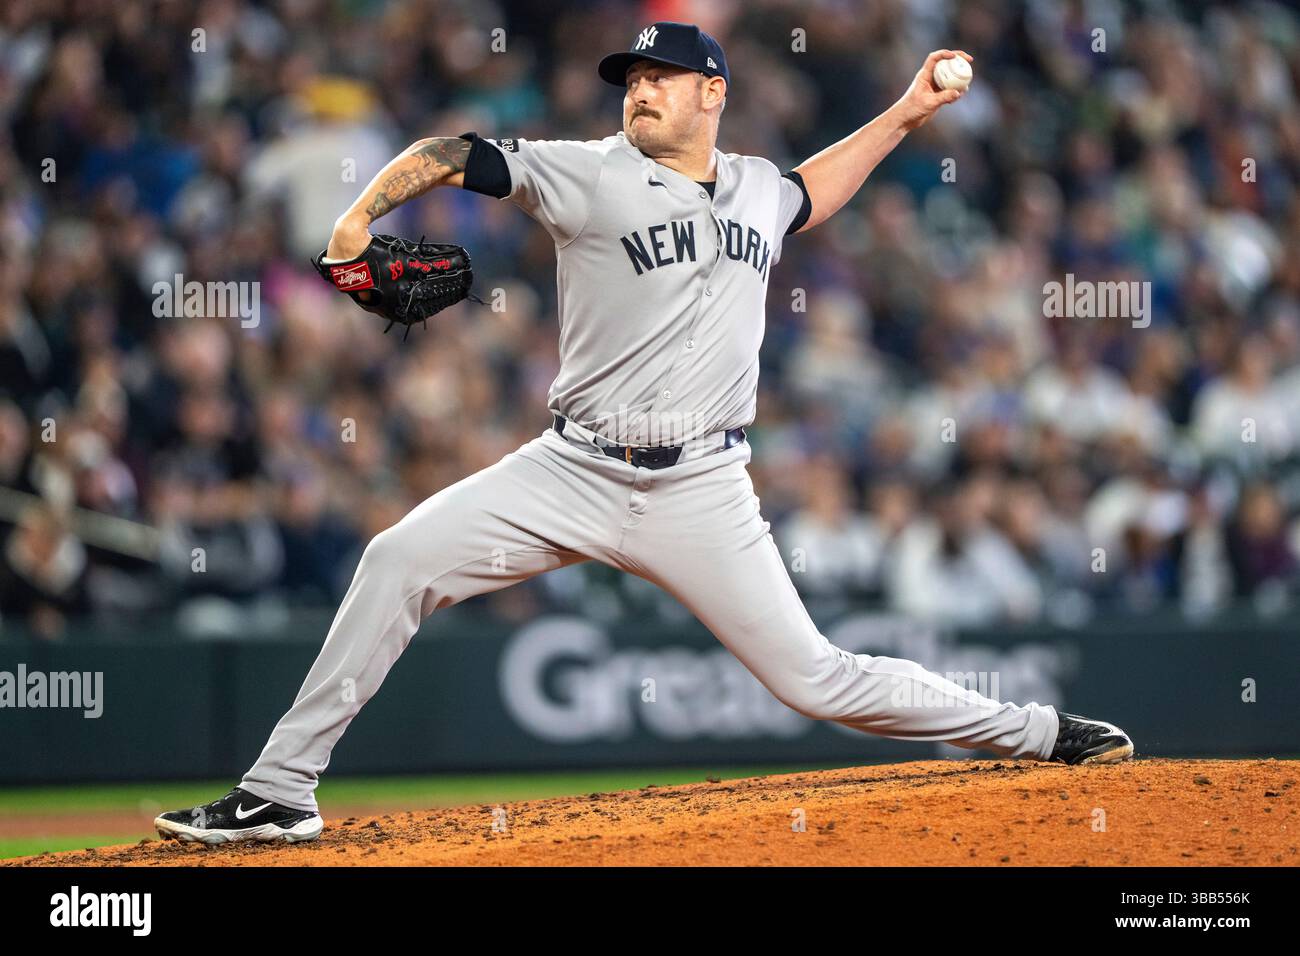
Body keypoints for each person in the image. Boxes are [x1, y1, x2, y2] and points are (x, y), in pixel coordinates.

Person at [156, 22, 1132, 846]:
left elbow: (811, 188)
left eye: (660, 77)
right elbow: (455, 152)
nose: (639, 91)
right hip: (572, 465)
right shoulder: (587, 174)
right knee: (395, 557)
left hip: (705, 488)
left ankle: (1038, 732)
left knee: (816, 677)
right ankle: (281, 788)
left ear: (713, 91)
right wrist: (358, 221)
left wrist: (911, 111)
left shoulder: (756, 187)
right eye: (630, 79)